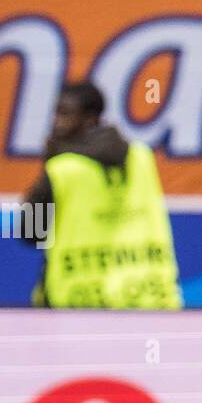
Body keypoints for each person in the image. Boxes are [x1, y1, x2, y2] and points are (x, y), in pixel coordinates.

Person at [21, 80, 181, 309]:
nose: (56, 122)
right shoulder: (141, 156)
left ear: (90, 118)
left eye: (65, 114)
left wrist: (47, 164)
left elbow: (31, 232)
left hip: (78, 301)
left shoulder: (62, 168)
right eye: (55, 113)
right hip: (148, 296)